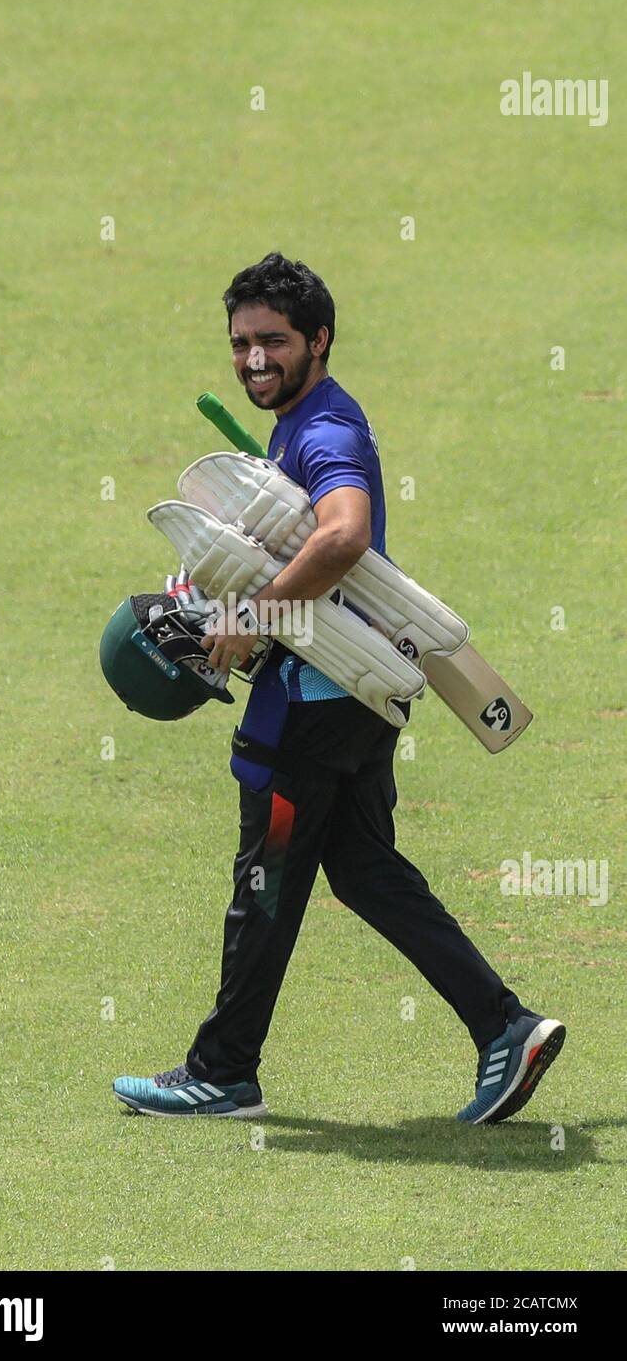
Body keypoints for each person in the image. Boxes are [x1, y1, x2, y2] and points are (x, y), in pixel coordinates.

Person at [113, 253, 565, 1124]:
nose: (253, 359)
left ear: (318, 339)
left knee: (264, 887)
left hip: (310, 712)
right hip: (353, 701)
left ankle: (222, 1073)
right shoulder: (306, 421)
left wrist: (252, 615)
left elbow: (344, 536)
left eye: (273, 341)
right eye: (241, 343)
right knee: (362, 871)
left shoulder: (325, 432)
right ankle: (506, 1029)